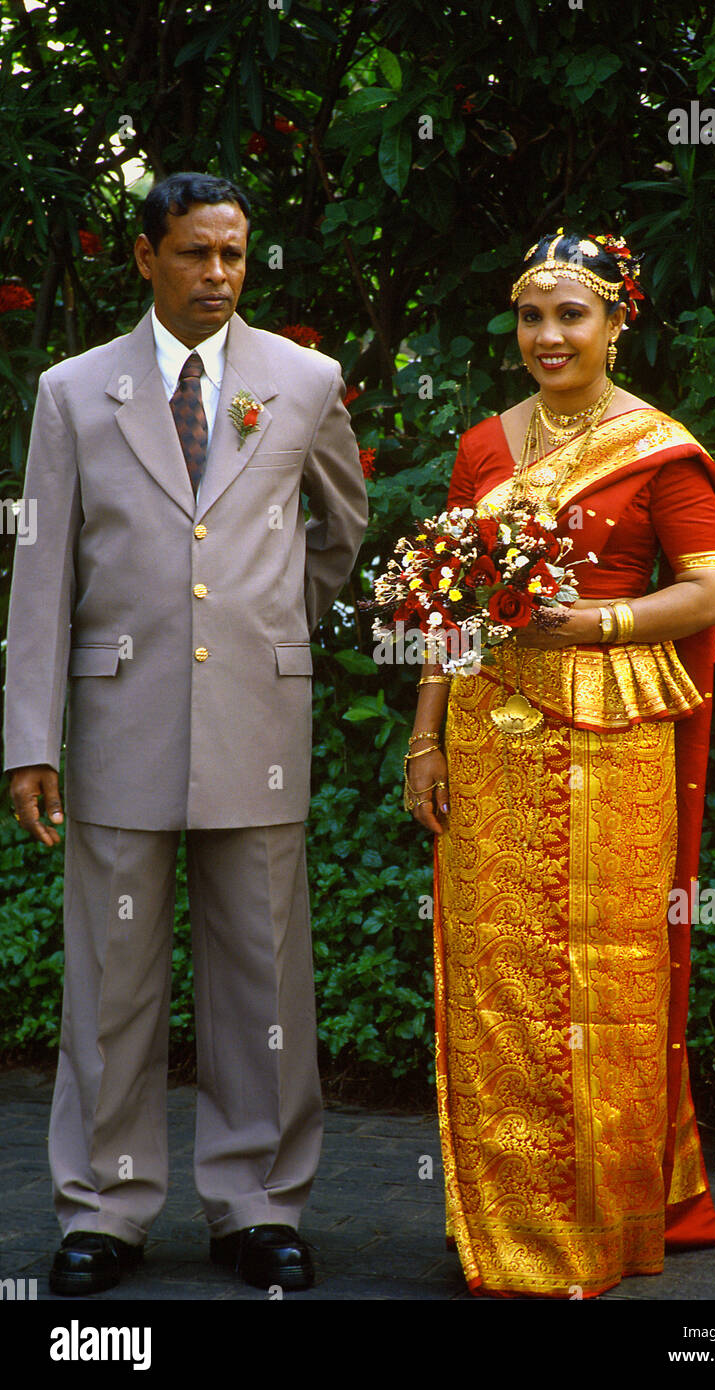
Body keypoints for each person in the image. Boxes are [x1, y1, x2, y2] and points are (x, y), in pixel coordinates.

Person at [3, 171, 368, 1296]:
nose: (220, 275)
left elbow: (342, 527)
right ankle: (104, 1212)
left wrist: (273, 629)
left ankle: (257, 1205)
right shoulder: (75, 391)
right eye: (197, 254)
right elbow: (42, 570)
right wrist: (30, 740)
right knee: (109, 978)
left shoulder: (302, 380)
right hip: (118, 720)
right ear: (146, 258)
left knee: (263, 978)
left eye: (236, 255)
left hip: (259, 721)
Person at [406, 229, 715, 1298]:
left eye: (572, 314)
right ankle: (503, 1225)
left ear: (616, 321)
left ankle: (601, 1222)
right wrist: (422, 735)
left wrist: (595, 621)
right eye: (533, 315)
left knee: (600, 977)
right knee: (498, 972)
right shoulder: (482, 447)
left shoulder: (657, 448)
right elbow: (450, 607)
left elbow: (707, 592)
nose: (548, 335)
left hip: (608, 733)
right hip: (483, 734)